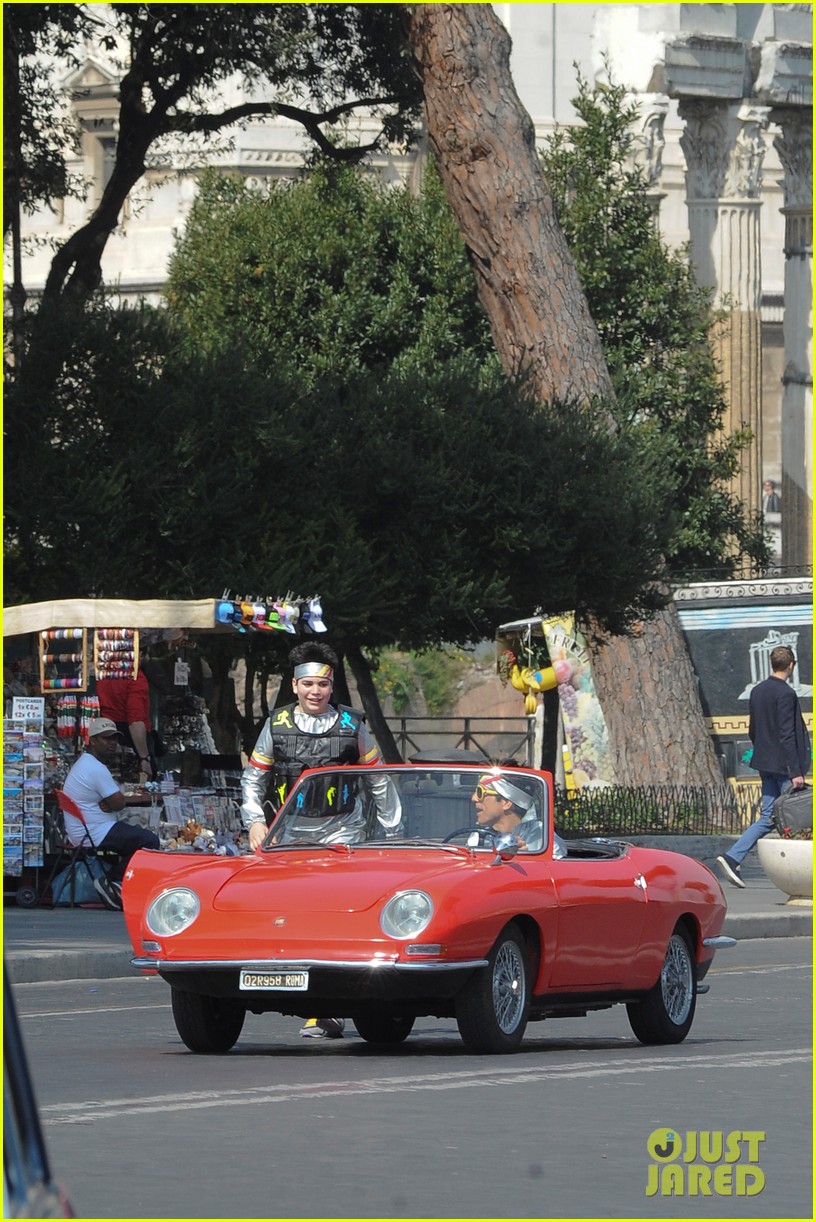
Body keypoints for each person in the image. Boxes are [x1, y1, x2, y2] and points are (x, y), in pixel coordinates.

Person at [241, 641, 399, 1039]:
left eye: (322, 685)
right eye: (308, 684)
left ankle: (329, 1007)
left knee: (332, 918)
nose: (315, 691)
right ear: (294, 686)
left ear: (332, 688)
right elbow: (254, 779)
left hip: (344, 832)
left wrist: (393, 835)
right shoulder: (275, 725)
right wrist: (254, 822)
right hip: (288, 836)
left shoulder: (352, 725)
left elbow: (379, 780)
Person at [717, 645, 810, 889]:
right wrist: (796, 771)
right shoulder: (786, 694)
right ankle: (736, 857)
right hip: (785, 766)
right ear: (791, 665)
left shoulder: (757, 691)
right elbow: (788, 733)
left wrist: (763, 752)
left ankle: (734, 857)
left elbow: (753, 728)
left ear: (772, 663)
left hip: (766, 762)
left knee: (772, 815)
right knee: (797, 816)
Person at [62, 717, 160, 909]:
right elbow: (118, 804)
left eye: (114, 738)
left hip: (88, 829)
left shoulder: (86, 763)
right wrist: (115, 800)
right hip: (94, 831)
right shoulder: (95, 768)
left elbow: (114, 802)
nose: (112, 743)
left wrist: (113, 801)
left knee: (135, 837)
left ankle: (116, 881)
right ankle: (112, 881)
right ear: (93, 740)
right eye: (106, 739)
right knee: (149, 841)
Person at [95, 649, 158, 779]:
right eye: (147, 655)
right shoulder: (135, 677)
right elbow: (135, 720)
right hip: (129, 742)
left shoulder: (106, 673)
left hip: (105, 736)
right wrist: (144, 758)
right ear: (139, 655)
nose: (148, 659)